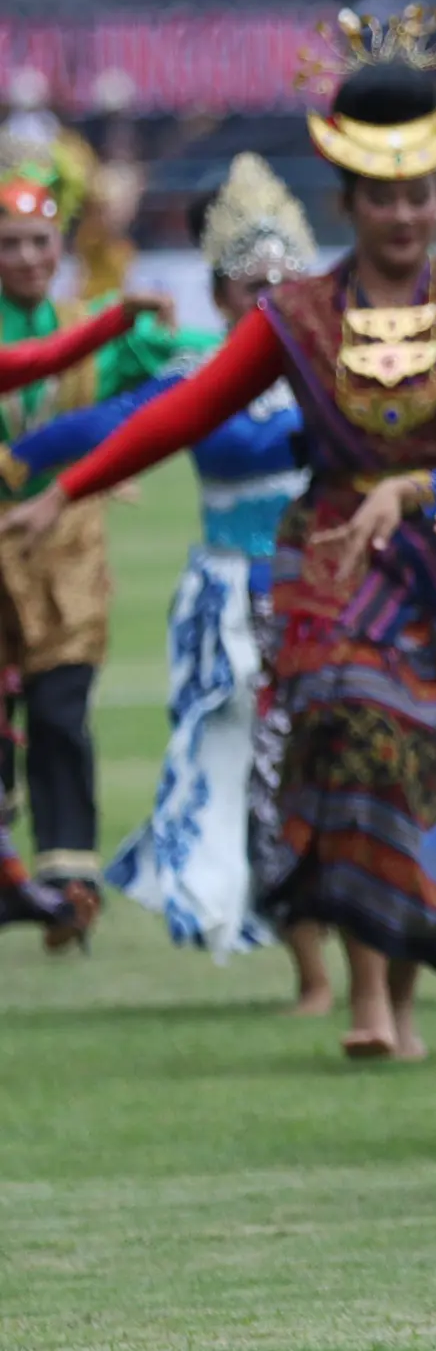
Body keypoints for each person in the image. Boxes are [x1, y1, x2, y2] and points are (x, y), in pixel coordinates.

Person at [4, 5, 436, 1061]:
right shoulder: (296, 316)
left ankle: (399, 986)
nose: (406, 212)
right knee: (353, 742)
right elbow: (184, 410)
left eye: (422, 192)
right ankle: (364, 1002)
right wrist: (69, 486)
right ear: (348, 200)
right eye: (384, 196)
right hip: (335, 560)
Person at [2, 154, 330, 1005]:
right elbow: (107, 424)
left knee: (335, 767)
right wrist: (28, 468)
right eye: (246, 288)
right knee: (248, 771)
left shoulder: (339, 372)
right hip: (229, 606)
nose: (265, 301)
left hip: (328, 596)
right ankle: (310, 969)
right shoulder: (201, 377)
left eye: (280, 284)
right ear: (221, 297)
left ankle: (365, 963)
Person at [0, 121, 184, 930]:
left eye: (40, 242)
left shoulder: (94, 320)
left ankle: (69, 872)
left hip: (67, 549)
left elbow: (175, 368)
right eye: (9, 244)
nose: (27, 259)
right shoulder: (67, 331)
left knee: (61, 707)